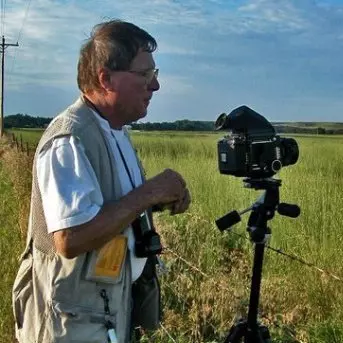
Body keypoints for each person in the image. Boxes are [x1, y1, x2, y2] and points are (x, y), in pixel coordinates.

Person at [12, 19, 191, 343]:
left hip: (103, 315)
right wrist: (148, 193)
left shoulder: (115, 131)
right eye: (145, 75)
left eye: (156, 74)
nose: (155, 86)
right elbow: (71, 237)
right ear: (105, 78)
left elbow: (109, 205)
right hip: (71, 325)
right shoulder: (70, 138)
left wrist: (156, 201)